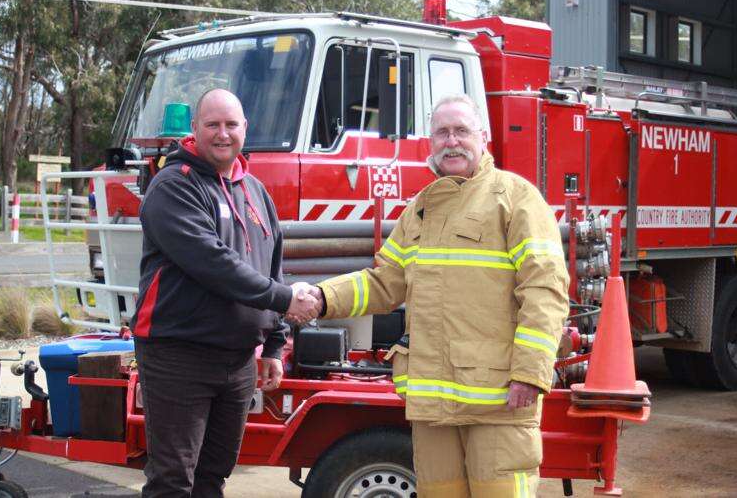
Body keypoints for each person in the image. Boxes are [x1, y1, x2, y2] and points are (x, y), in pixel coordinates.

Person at [305, 94, 570, 497]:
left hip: (499, 401)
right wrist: (322, 298)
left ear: (483, 138)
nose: (452, 141)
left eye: (462, 131)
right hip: (433, 404)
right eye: (442, 133)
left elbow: (545, 291)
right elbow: (384, 283)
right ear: (431, 143)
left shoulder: (516, 199)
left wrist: (530, 374)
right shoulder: (420, 211)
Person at [130, 88, 319, 497]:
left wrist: (272, 345)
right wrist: (287, 300)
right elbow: (214, 265)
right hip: (179, 355)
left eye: (231, 125)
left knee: (213, 474)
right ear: (194, 129)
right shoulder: (172, 187)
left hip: (237, 361)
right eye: (212, 124)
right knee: (173, 478)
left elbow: (271, 266)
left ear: (244, 129)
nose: (222, 134)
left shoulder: (254, 191)